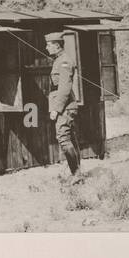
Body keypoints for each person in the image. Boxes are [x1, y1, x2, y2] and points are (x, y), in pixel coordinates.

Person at [45, 31, 82, 182]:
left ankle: (76, 174)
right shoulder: (59, 60)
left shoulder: (64, 61)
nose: (46, 48)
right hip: (65, 106)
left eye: (48, 45)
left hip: (65, 107)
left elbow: (64, 88)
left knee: (63, 138)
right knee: (70, 138)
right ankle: (78, 172)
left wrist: (56, 109)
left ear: (57, 46)